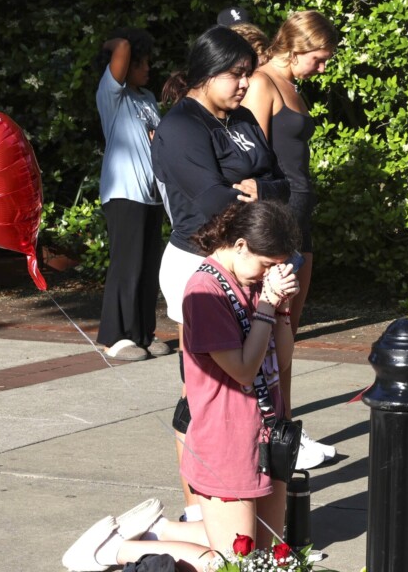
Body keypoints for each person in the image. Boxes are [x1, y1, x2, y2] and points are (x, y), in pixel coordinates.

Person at [62, 200, 300, 572]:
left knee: (267, 557)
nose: (269, 274)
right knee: (233, 563)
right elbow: (241, 369)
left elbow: (280, 362)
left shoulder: (253, 281)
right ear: (239, 245)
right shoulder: (205, 291)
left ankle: (158, 531)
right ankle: (120, 551)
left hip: (267, 436)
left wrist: (282, 307)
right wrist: (268, 306)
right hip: (227, 441)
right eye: (267, 264)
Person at [153, 25, 290, 523]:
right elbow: (213, 202)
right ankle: (200, 504)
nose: (243, 85)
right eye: (236, 75)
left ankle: (248, 482)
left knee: (257, 379)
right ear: (207, 72)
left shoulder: (239, 118)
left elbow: (281, 184)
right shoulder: (181, 127)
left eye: (248, 75)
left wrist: (256, 187)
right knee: (207, 389)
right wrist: (253, 191)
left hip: (250, 258)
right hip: (201, 262)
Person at [239, 10, 338, 469]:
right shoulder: (262, 82)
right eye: (318, 59)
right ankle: (272, 432)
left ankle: (285, 428)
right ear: (297, 47)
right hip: (278, 217)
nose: (323, 68)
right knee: (272, 327)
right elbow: (248, 157)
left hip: (300, 215)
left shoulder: (290, 85)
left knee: (287, 333)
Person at [94, 27, 171, 362]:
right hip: (124, 193)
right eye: (143, 62)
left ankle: (142, 333)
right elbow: (122, 46)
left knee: (147, 266)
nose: (148, 68)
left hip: (151, 195)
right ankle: (115, 336)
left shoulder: (148, 98)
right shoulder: (113, 94)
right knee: (126, 266)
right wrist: (108, 45)